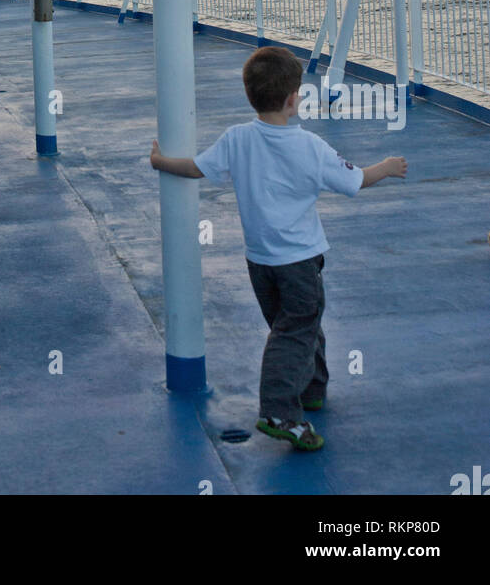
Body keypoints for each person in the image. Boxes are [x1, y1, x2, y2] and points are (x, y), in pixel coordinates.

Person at [150, 45, 407, 452]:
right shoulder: (310, 147)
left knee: (299, 328)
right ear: (292, 100)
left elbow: (198, 168)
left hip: (260, 262)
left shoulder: (237, 139)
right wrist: (388, 168)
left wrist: (162, 162)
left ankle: (313, 390)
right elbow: (355, 181)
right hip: (300, 262)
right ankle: (279, 413)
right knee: (295, 333)